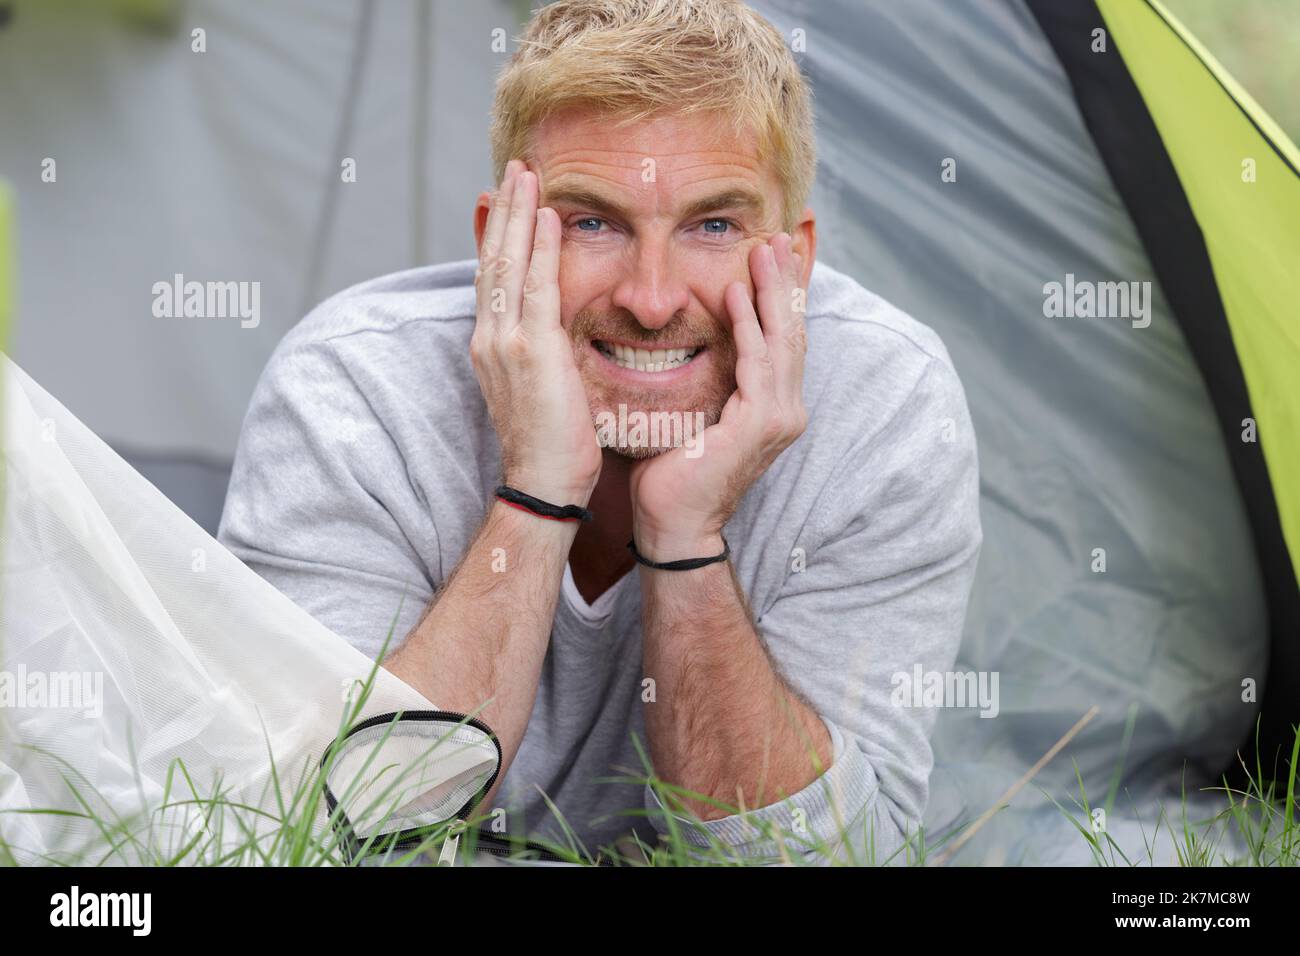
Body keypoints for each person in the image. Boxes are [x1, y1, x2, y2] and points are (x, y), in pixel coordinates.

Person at [218, 0, 982, 865]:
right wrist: (538, 492)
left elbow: (831, 863)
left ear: (795, 263)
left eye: (714, 225)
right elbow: (302, 838)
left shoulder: (887, 404)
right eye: (592, 222)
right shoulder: (352, 390)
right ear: (497, 247)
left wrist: (686, 538)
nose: (651, 299)